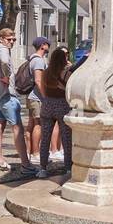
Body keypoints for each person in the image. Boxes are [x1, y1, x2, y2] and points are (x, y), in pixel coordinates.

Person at [0, 28, 36, 176]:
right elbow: (4, 62)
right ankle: (26, 165)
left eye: (14, 39)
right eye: (9, 39)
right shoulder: (2, 50)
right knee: (18, 128)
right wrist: (7, 76)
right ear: (2, 39)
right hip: (6, 95)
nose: (12, 42)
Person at [37, 46, 73, 177]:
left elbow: (43, 89)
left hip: (47, 104)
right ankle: (68, 168)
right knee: (66, 138)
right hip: (62, 105)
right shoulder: (66, 73)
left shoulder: (46, 72)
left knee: (45, 137)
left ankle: (42, 168)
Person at [24, 36, 51, 159]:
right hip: (37, 97)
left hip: (31, 96)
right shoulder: (39, 61)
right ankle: (36, 153)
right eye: (47, 44)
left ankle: (29, 152)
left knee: (31, 124)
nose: (48, 46)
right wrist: (46, 97)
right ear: (42, 45)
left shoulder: (32, 58)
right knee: (38, 124)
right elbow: (38, 80)